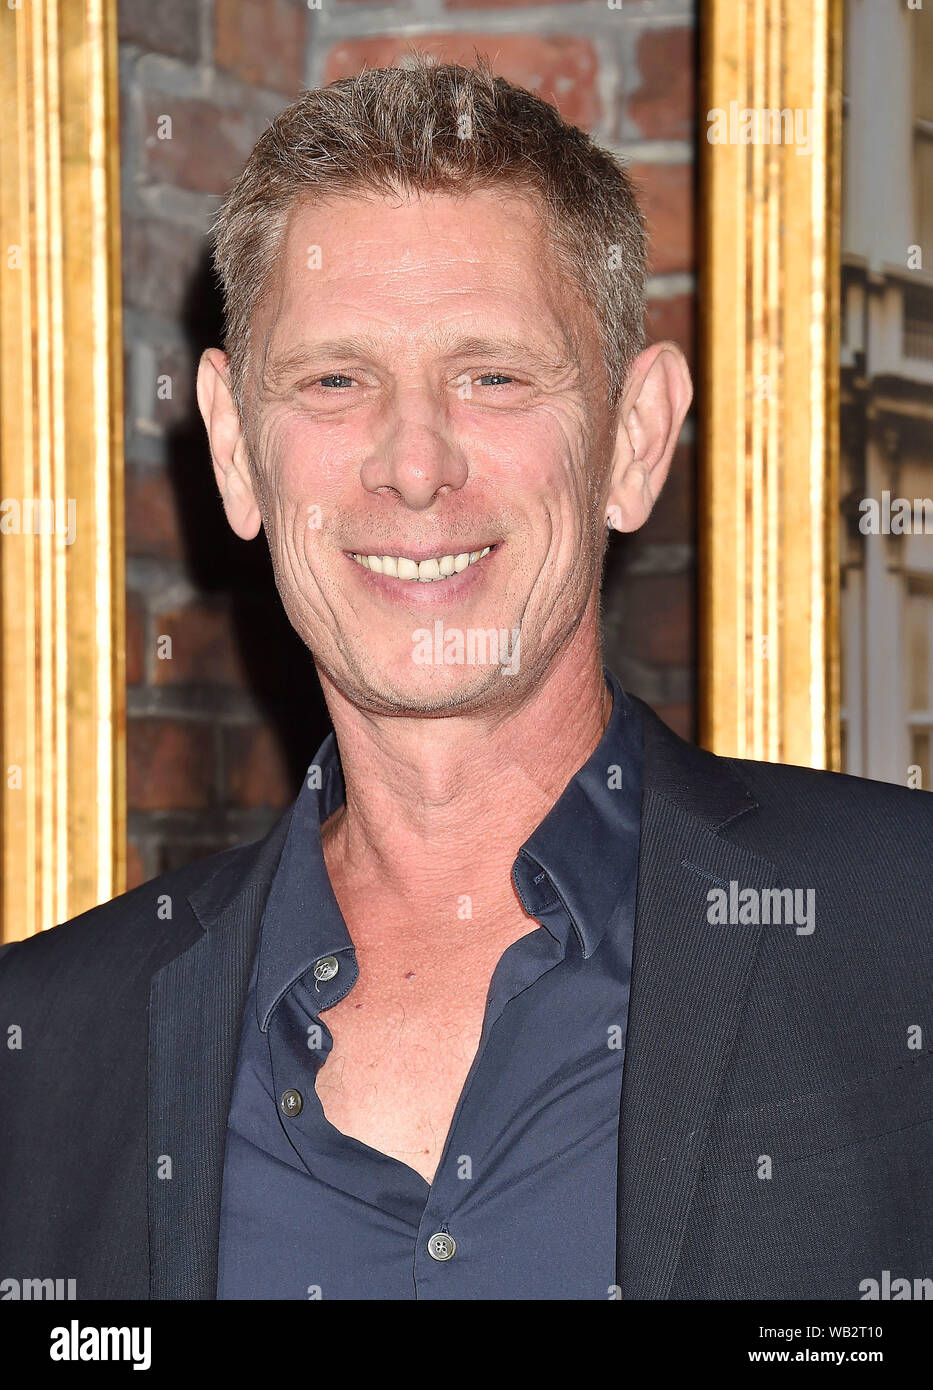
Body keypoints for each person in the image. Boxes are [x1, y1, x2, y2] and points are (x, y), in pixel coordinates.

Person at [1, 59, 931, 1302]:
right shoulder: (48, 1048)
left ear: (634, 438)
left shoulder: (902, 927)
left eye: (492, 376)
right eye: (336, 380)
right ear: (234, 451)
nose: (416, 464)